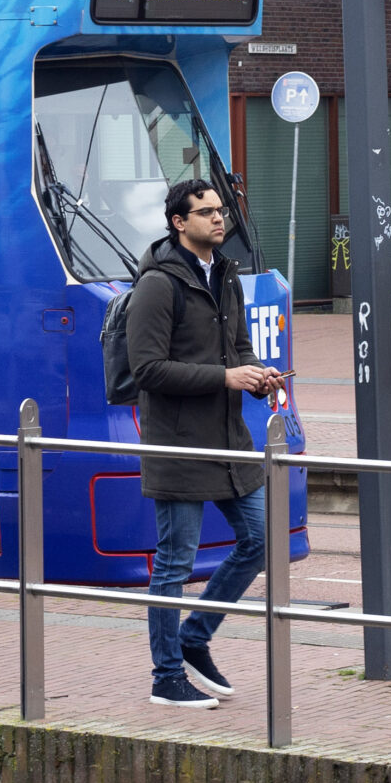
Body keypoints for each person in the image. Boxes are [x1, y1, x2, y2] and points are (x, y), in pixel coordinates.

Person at [124, 179, 275, 709]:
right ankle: (165, 677)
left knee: (261, 540)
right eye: (206, 211)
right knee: (174, 563)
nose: (219, 218)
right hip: (180, 443)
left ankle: (193, 638)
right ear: (178, 222)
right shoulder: (158, 285)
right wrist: (225, 378)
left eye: (221, 210)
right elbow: (147, 369)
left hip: (229, 437)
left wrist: (255, 371)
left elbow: (236, 348)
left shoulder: (226, 276)